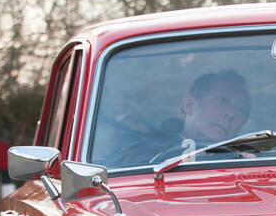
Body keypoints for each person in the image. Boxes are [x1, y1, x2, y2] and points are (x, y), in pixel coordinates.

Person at [108, 69, 252, 166]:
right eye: (222, 101)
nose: (231, 113)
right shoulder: (142, 144)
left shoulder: (245, 162)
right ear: (189, 104)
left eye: (241, 110)